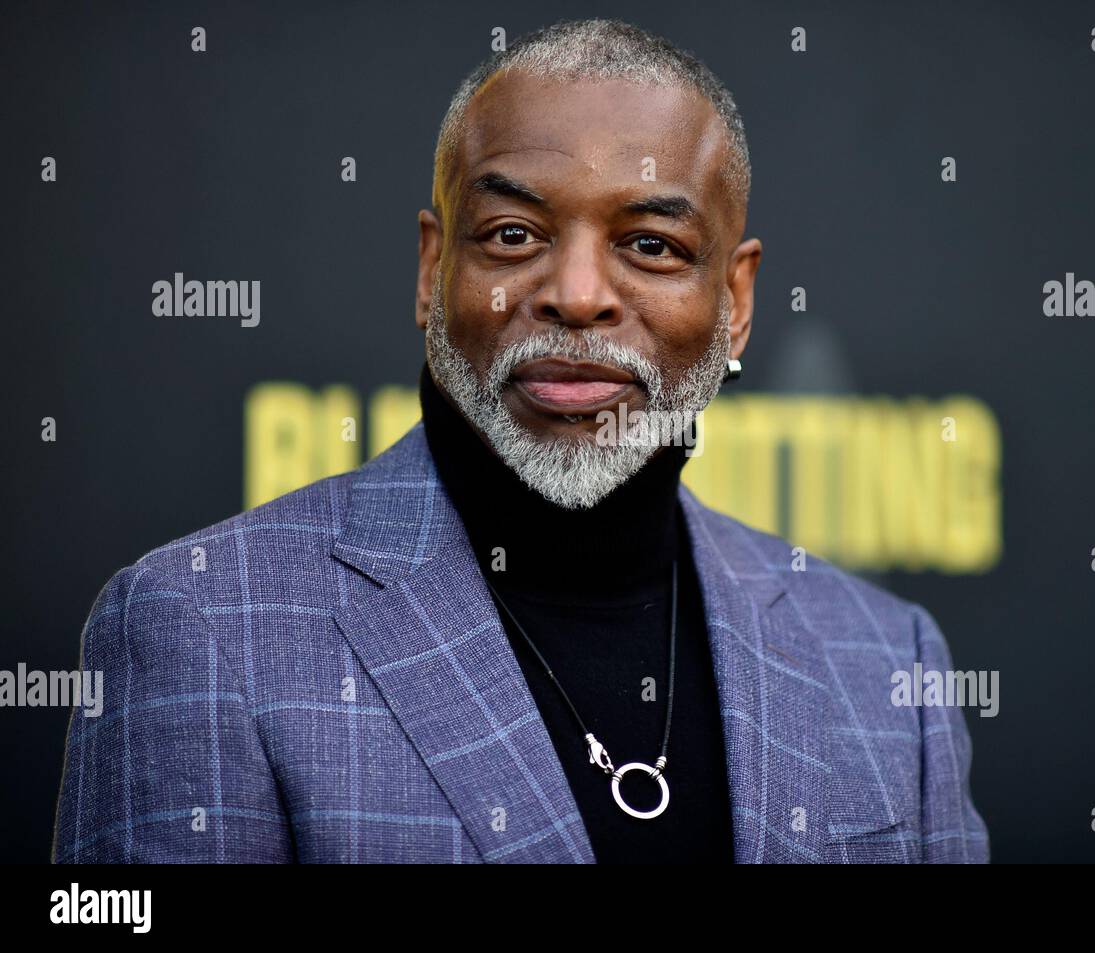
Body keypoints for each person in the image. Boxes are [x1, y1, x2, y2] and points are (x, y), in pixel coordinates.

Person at [53, 18, 988, 863]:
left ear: (735, 305)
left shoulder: (884, 658)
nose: (577, 294)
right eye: (511, 233)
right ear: (432, 270)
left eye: (651, 245)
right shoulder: (201, 627)